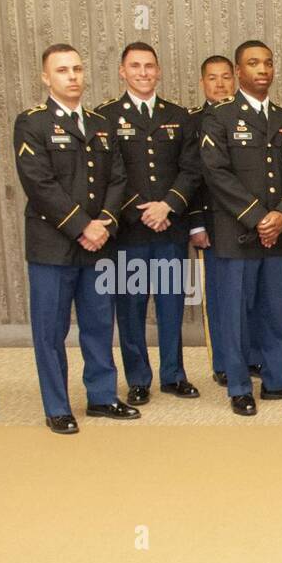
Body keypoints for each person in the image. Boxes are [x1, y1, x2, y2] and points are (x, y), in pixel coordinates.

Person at [14, 43, 138, 433]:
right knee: (51, 331)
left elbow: (118, 179)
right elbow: (39, 184)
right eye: (63, 70)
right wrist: (83, 226)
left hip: (99, 243)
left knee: (100, 324)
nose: (73, 77)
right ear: (46, 77)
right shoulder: (31, 123)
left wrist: (103, 223)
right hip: (53, 246)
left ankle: (102, 396)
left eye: (78, 69)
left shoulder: (101, 123)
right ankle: (57, 406)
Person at [200, 39, 282, 415]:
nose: (263, 70)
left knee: (275, 311)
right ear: (239, 72)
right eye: (253, 63)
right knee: (236, 313)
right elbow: (216, 173)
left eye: (268, 63)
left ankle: (278, 379)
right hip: (238, 233)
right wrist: (258, 217)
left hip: (279, 232)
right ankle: (238, 386)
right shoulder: (219, 117)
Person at [97, 42, 203, 405]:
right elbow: (108, 174)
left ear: (158, 72)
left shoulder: (179, 114)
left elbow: (191, 169)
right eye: (135, 66)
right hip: (129, 231)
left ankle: (174, 375)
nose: (143, 72)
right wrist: (141, 211)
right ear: (122, 71)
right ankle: (139, 378)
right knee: (131, 308)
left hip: (169, 229)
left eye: (149, 66)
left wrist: (168, 206)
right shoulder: (106, 116)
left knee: (172, 304)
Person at [189, 54, 262, 387]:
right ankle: (223, 362)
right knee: (221, 297)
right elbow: (192, 176)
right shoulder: (192, 121)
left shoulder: (246, 116)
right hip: (211, 221)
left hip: (247, 220)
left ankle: (250, 356)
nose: (220, 84)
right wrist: (195, 223)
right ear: (202, 83)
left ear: (235, 79)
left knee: (249, 295)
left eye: (225, 78)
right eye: (212, 78)